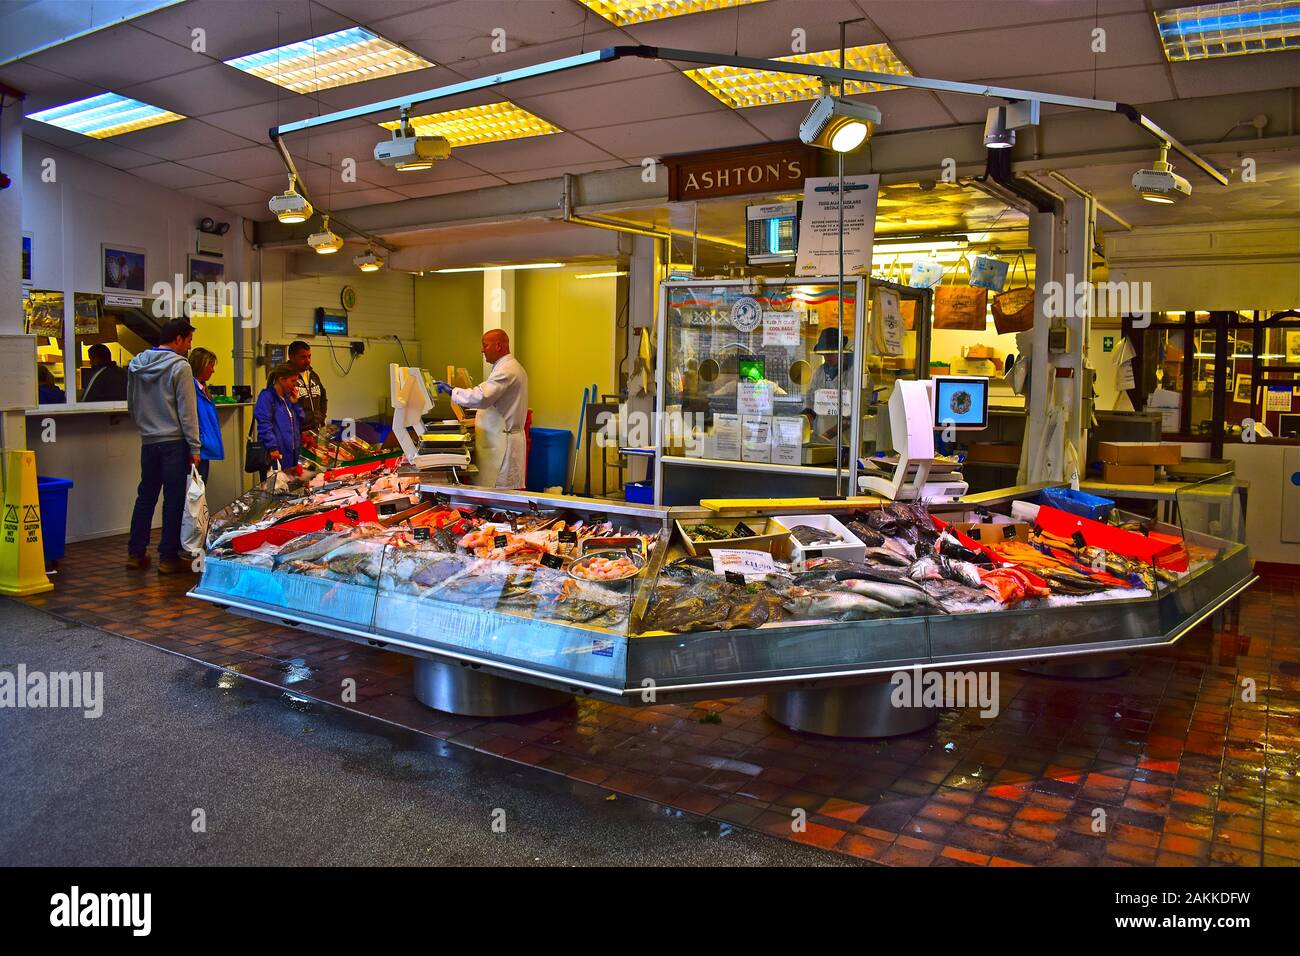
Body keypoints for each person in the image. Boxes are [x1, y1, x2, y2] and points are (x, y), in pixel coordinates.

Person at [125, 318, 201, 573]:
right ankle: (167, 558)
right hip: (173, 443)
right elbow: (187, 410)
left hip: (149, 442)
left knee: (145, 496)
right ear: (178, 339)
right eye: (188, 340)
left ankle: (135, 553)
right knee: (173, 499)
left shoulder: (136, 365)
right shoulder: (181, 367)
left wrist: (145, 428)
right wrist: (195, 447)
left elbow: (132, 404)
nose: (189, 346)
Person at [435, 329, 528, 489]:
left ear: (498, 346)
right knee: (498, 492)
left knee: (500, 494)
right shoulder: (506, 367)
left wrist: (452, 391)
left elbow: (482, 397)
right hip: (500, 441)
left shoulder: (507, 370)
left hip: (502, 445)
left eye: (485, 345)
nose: (482, 350)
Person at [801, 327, 854, 441]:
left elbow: (852, 415)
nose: (826, 358)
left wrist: (827, 435)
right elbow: (812, 399)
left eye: (830, 354)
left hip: (846, 441)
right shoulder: (821, 371)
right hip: (822, 435)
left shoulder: (854, 372)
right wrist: (807, 417)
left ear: (841, 350)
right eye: (824, 354)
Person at [254, 362, 304, 479]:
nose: (295, 386)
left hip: (292, 455)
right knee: (274, 489)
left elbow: (302, 420)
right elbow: (264, 424)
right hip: (275, 455)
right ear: (281, 380)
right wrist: (272, 447)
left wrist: (296, 404)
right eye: (292, 381)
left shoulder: (288, 399)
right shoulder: (266, 397)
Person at [189, 347, 224, 483]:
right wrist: (196, 447)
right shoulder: (190, 389)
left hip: (204, 450)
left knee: (200, 490)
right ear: (201, 365)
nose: (213, 370)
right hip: (197, 450)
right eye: (211, 366)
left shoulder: (204, 390)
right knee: (193, 494)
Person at [288, 341, 327, 434]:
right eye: (303, 357)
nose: (308, 360)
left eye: (309, 356)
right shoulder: (285, 377)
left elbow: (323, 398)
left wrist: (321, 418)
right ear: (292, 357)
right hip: (296, 433)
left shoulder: (313, 375)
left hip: (316, 430)